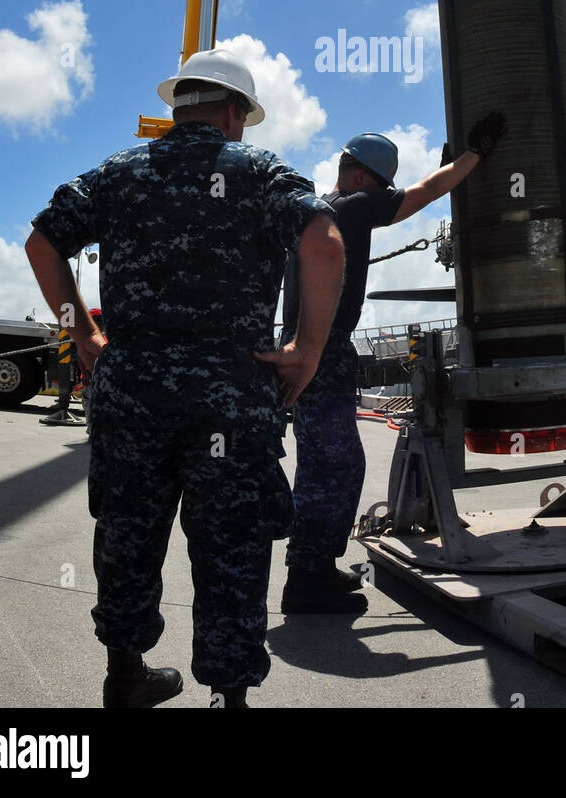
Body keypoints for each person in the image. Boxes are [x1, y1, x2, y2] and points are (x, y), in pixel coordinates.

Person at [25, 50, 344, 708]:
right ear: (233, 112)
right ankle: (229, 698)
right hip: (231, 396)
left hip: (132, 392)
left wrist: (80, 332)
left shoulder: (116, 173)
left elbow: (42, 243)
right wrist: (307, 348)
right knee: (232, 546)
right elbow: (322, 239)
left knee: (127, 534)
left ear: (181, 106)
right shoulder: (256, 172)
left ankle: (125, 677)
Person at [279, 112, 507, 612]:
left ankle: (312, 568)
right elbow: (419, 194)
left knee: (324, 463)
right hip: (324, 347)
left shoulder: (323, 210)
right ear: (362, 175)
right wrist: (474, 157)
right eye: (382, 184)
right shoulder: (358, 205)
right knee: (335, 466)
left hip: (304, 344)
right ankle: (306, 581)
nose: (383, 192)